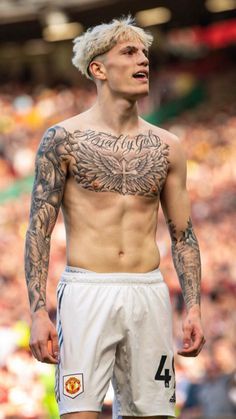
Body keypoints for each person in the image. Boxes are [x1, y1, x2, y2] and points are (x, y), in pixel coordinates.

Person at [24, 16, 205, 419]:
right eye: (129, 52)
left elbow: (183, 236)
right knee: (79, 412)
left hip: (148, 292)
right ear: (98, 68)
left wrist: (192, 308)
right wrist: (38, 312)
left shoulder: (168, 146)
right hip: (87, 291)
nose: (143, 60)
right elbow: (38, 228)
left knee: (154, 415)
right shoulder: (62, 139)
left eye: (144, 52)